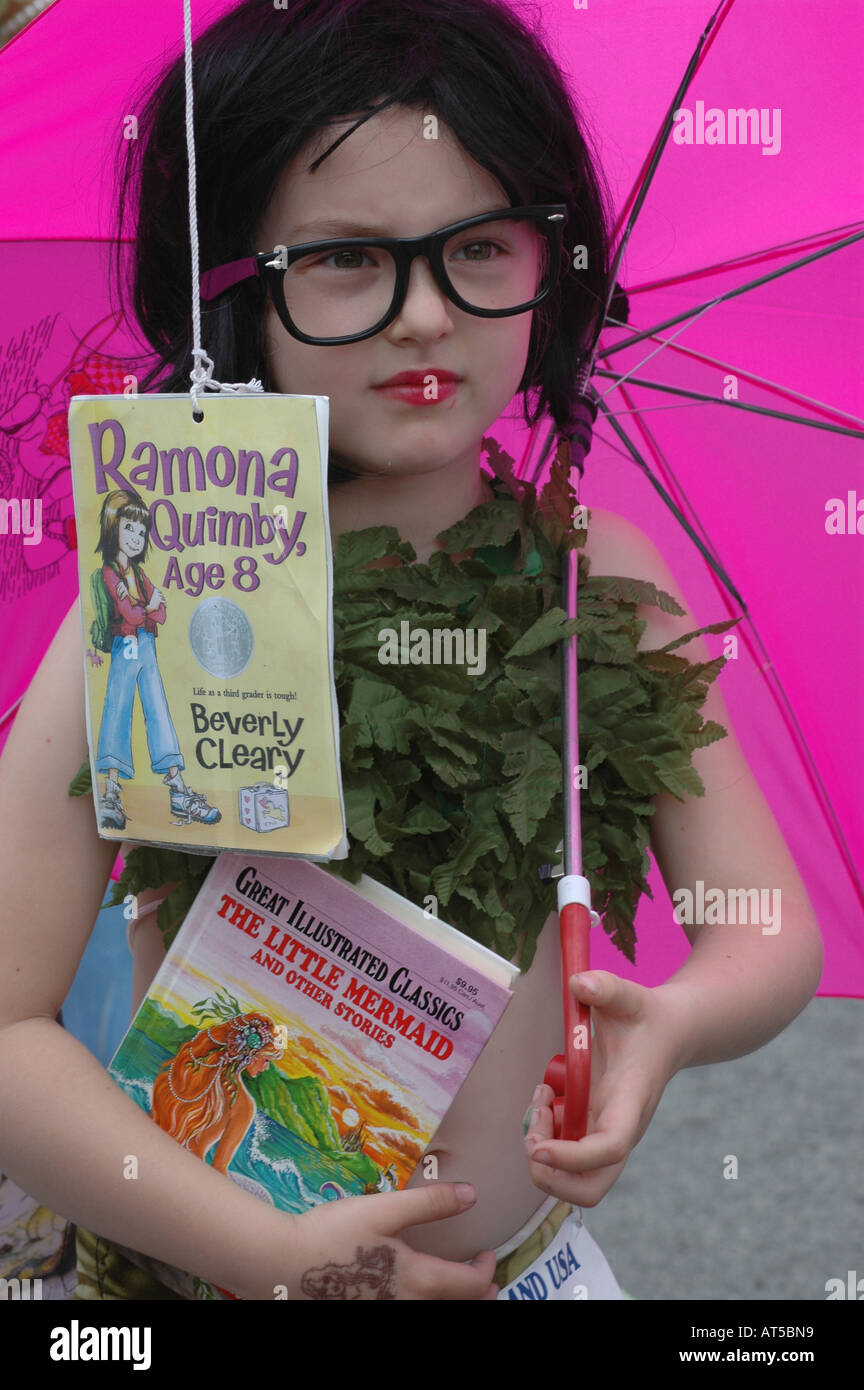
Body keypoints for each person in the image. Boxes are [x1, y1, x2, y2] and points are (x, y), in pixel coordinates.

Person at [0, 0, 822, 1302]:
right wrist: (270, 1258)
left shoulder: (593, 573)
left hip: (527, 1276)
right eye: (344, 261)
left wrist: (673, 1022)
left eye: (482, 248)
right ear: (224, 290)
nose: (427, 316)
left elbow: (766, 921)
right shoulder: (150, 575)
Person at [90, 487, 221, 831]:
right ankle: (112, 793)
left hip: (145, 644)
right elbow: (132, 613)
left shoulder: (137, 574)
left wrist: (147, 609)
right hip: (126, 645)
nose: (136, 538)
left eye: (141, 531)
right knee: (118, 710)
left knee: (157, 708)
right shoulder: (110, 573)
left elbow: (159, 613)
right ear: (112, 527)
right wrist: (147, 608)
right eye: (129, 528)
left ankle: (177, 788)